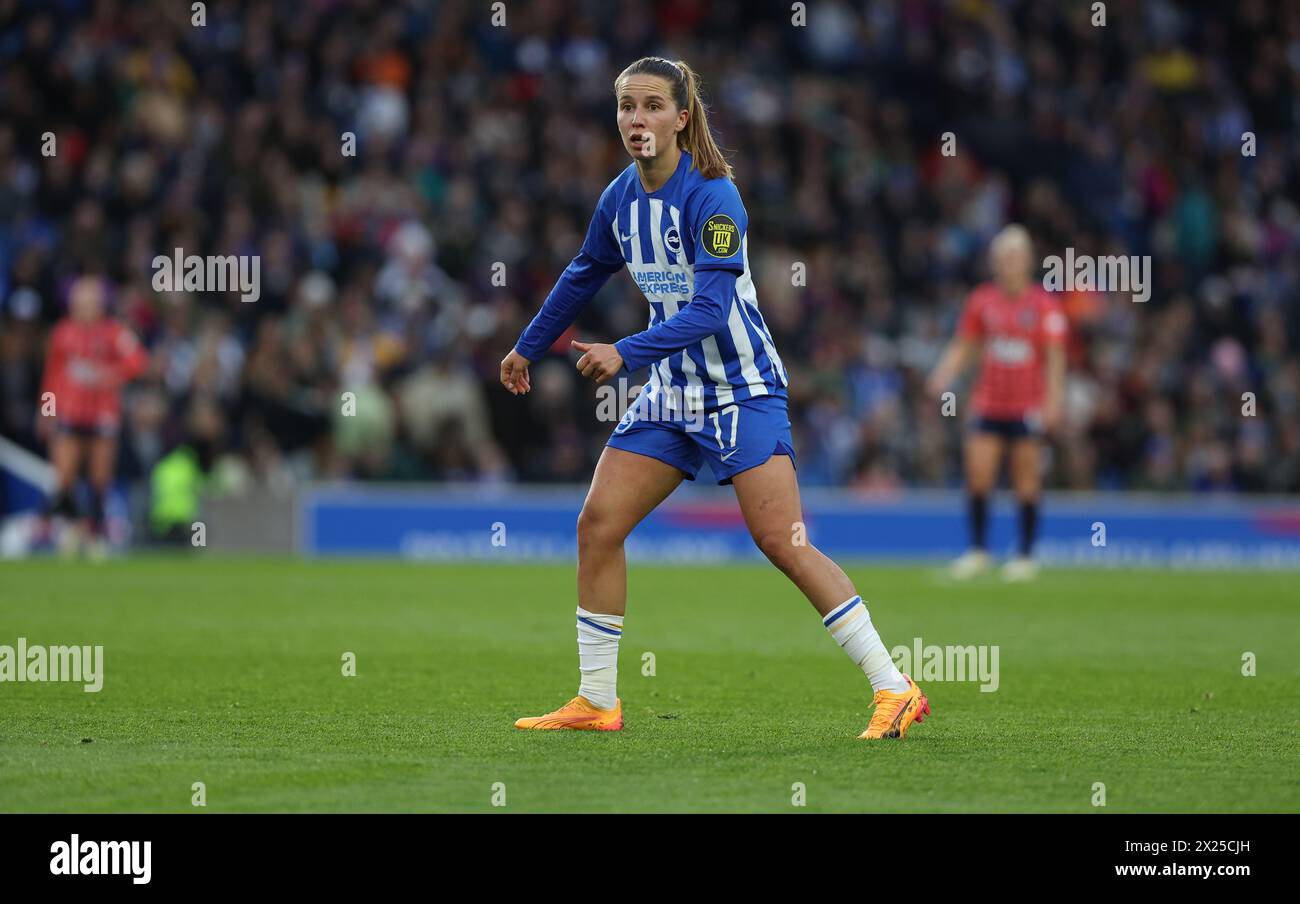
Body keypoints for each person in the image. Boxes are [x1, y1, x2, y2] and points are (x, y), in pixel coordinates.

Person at [500, 57, 929, 739]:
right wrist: (527, 346)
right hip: (672, 393)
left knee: (783, 541)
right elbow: (584, 272)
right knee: (598, 526)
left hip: (741, 391)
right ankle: (597, 701)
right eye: (626, 106)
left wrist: (625, 352)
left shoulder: (714, 197)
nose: (636, 119)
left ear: (681, 117)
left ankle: (894, 686)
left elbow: (710, 310)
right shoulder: (619, 198)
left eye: (651, 106)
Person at [926, 225, 1067, 581]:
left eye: (1016, 256)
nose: (1010, 263)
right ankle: (978, 552)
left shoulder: (1044, 306)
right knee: (978, 475)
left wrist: (1053, 402)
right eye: (1004, 256)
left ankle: (1025, 555)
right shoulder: (981, 301)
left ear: (1028, 261)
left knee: (1026, 479)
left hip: (1027, 405)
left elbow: (1055, 357)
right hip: (988, 401)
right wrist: (943, 374)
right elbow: (966, 345)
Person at [38, 276, 148, 558]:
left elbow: (137, 361)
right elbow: (52, 377)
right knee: (64, 476)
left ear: (100, 305)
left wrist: (111, 375)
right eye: (79, 303)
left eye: (89, 303)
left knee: (100, 479)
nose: (84, 309)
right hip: (69, 411)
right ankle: (72, 528)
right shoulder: (63, 333)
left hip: (103, 414)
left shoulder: (114, 332)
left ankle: (95, 533)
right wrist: (47, 413)